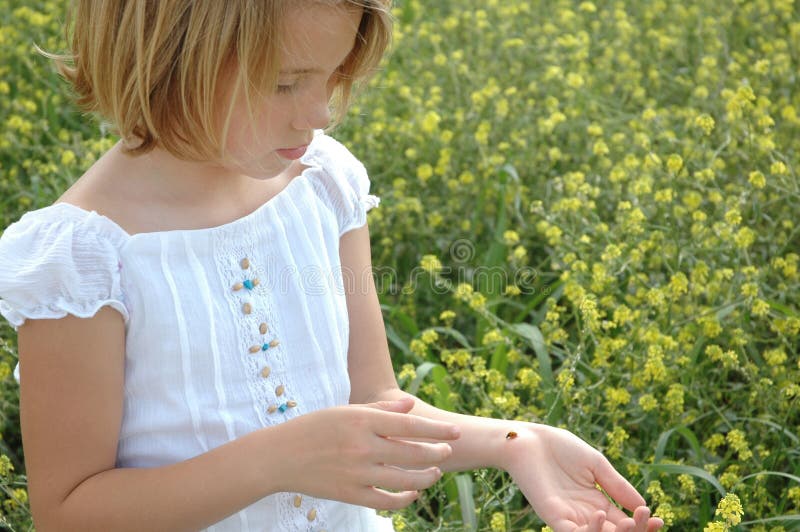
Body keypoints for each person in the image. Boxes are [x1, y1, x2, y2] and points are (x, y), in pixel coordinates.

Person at [0, 1, 665, 531]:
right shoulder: (84, 259)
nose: (319, 114)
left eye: (336, 76)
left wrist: (517, 442)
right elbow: (69, 513)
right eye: (287, 82)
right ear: (173, 53)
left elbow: (372, 406)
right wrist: (276, 460)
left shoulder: (323, 184)